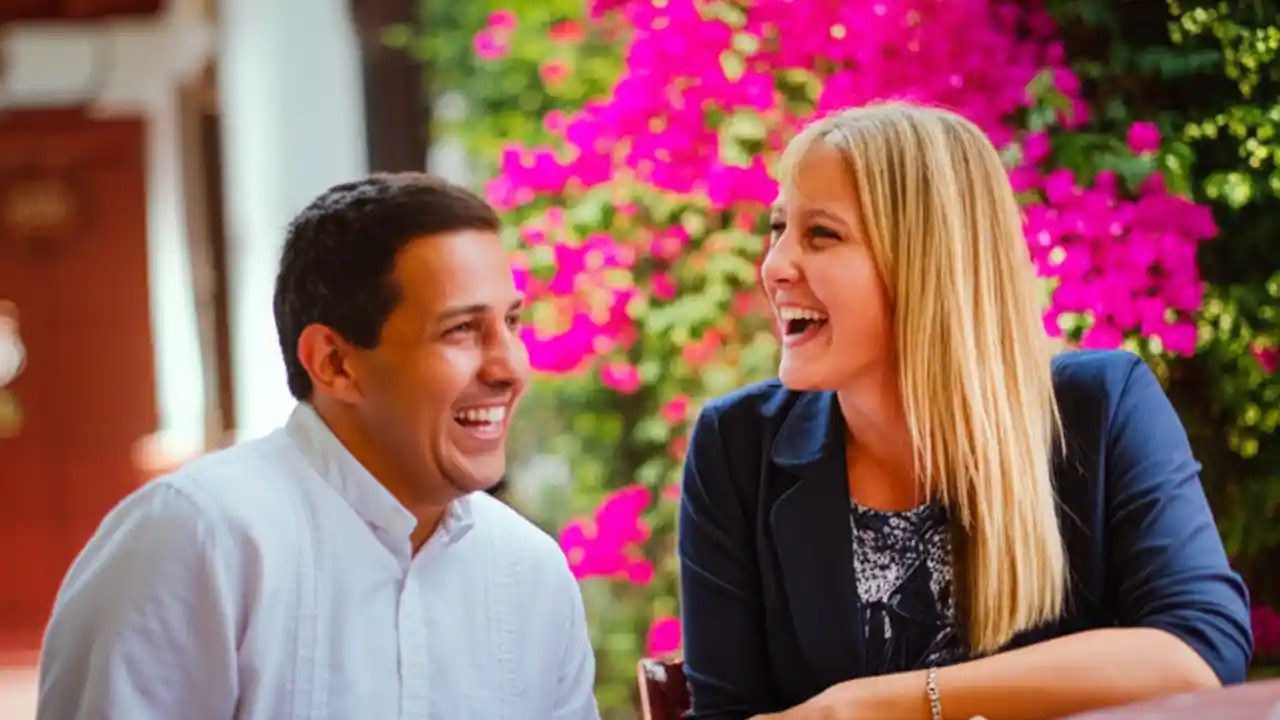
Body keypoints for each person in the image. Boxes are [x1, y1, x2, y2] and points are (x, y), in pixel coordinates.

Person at [676, 103, 1252, 720]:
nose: (775, 266)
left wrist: (868, 707)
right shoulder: (736, 447)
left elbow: (1197, 655)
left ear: (929, 260)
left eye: (822, 234)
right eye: (779, 228)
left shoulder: (1101, 409)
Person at [37, 173, 600, 720]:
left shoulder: (530, 572)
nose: (510, 368)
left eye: (512, 323)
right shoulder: (200, 540)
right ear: (335, 364)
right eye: (461, 330)